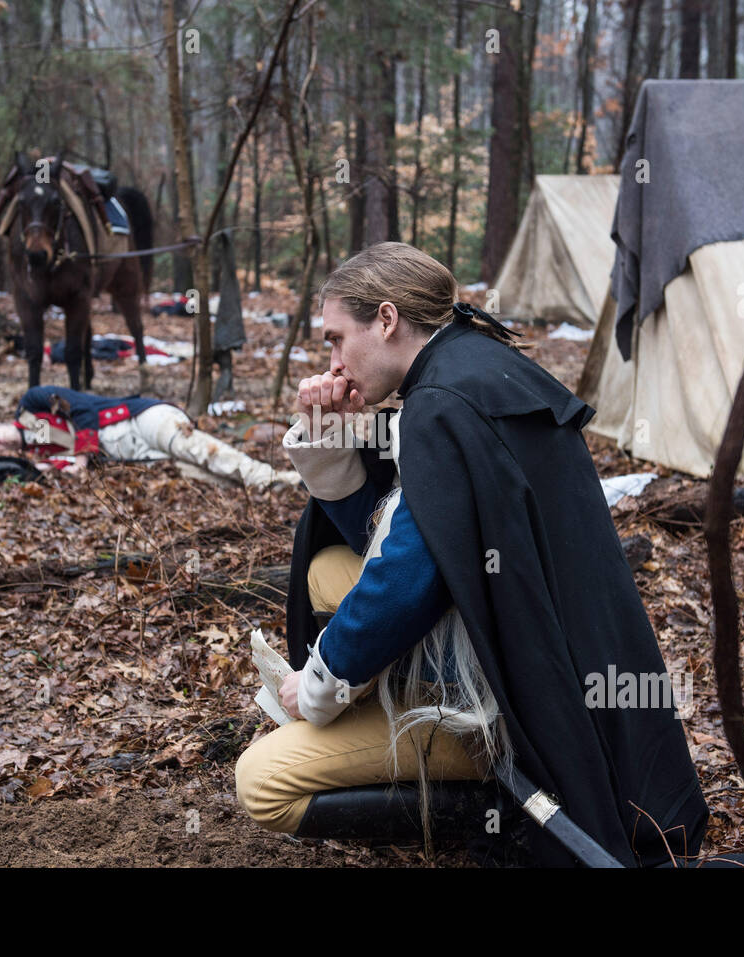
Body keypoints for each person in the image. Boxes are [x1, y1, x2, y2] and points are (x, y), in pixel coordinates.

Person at [233, 242, 708, 866]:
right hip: (553, 651)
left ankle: (496, 797)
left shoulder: (442, 407)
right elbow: (384, 540)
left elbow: (405, 582)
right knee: (327, 572)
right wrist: (330, 437)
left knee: (262, 783)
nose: (332, 361)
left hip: (517, 704)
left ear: (385, 319)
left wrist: (316, 688)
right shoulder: (472, 367)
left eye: (335, 338)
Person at [0, 385, 301, 491]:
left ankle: (268, 478)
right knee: (207, 477)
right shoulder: (36, 455)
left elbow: (81, 408)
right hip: (134, 455)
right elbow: (60, 472)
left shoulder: (31, 404)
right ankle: (284, 483)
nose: (0, 445)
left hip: (140, 420)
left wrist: (81, 458)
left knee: (204, 452)